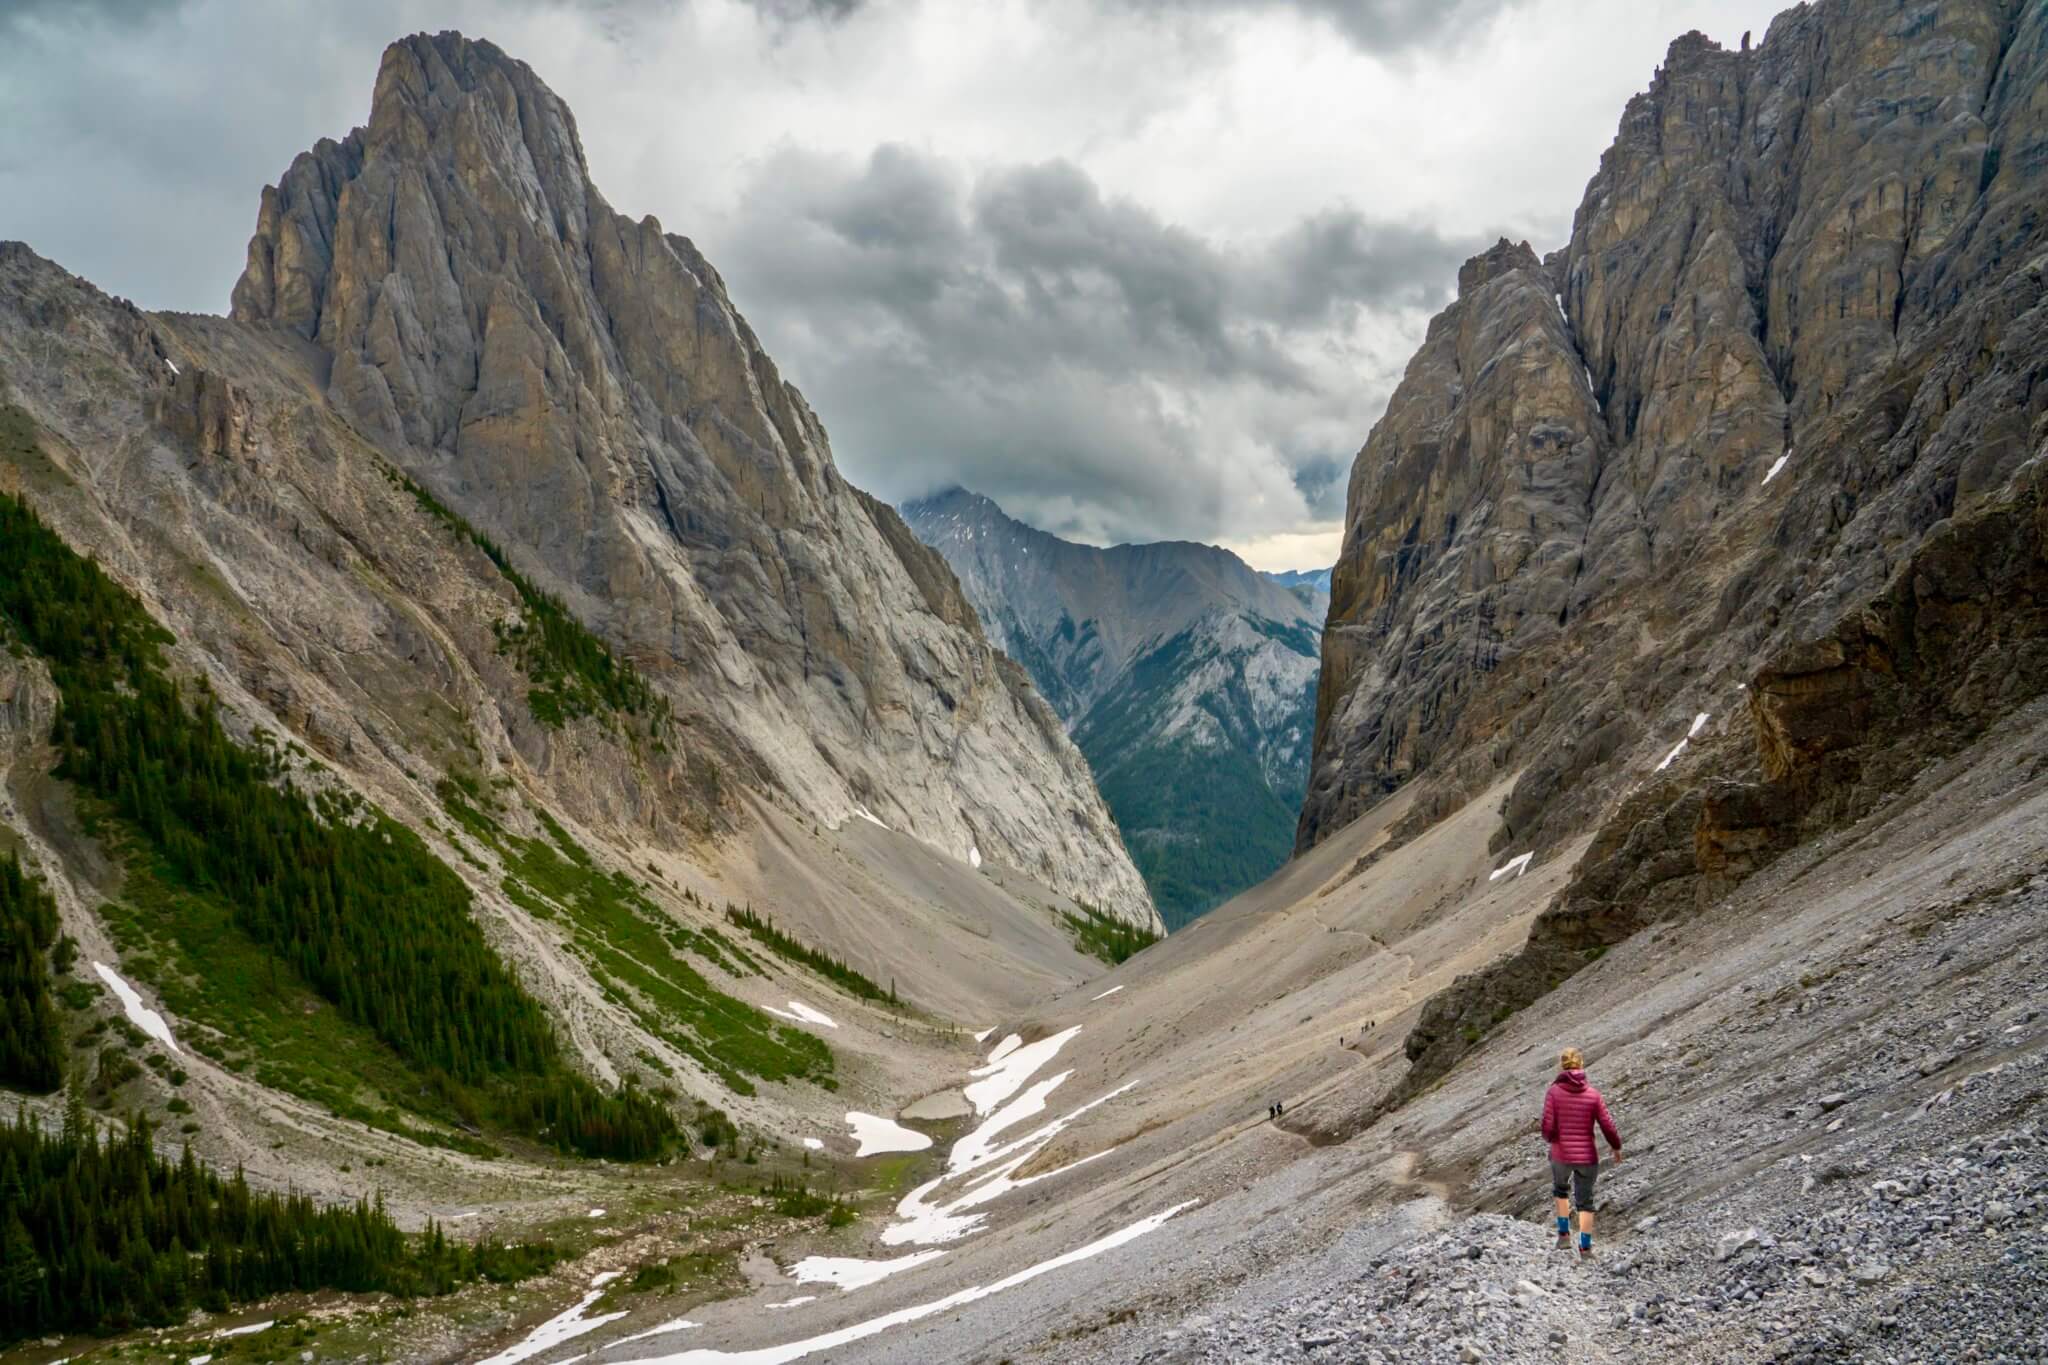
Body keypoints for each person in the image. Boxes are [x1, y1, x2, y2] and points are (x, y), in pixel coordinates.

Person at [1540, 1046, 1621, 1259]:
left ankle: (1564, 1236)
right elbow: (1607, 1124)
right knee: (1586, 1202)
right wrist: (1615, 1146)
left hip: (1561, 1154)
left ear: (1562, 1065)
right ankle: (1585, 1248)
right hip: (1587, 1156)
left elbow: (1547, 1125)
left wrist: (1552, 1140)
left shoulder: (1554, 1092)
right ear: (1581, 1065)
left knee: (1561, 1191)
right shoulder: (1593, 1094)